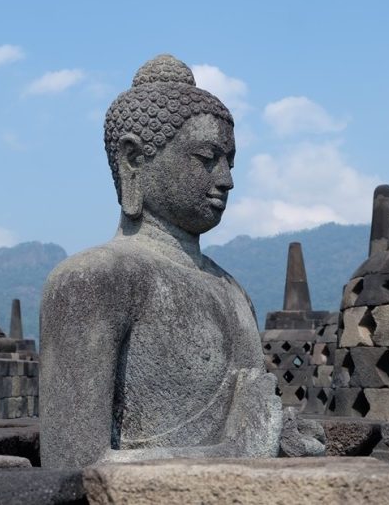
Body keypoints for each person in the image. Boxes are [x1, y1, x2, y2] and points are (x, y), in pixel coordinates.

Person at [39, 55, 285, 469]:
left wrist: (282, 437)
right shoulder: (91, 281)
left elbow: (251, 428)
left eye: (230, 162)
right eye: (206, 158)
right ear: (134, 159)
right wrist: (236, 452)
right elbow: (71, 465)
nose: (226, 179)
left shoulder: (234, 291)